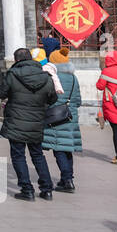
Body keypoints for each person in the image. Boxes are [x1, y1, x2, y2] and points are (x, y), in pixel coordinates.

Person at [0, 47, 57, 201]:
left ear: (16, 60)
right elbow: (52, 98)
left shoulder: (12, 74)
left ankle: (27, 189)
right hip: (36, 121)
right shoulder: (45, 76)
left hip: (16, 120)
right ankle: (47, 189)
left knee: (18, 155)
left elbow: (1, 93)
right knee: (37, 154)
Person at [42, 46, 82, 191]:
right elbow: (78, 101)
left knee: (58, 149)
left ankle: (67, 180)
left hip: (55, 117)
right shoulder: (73, 78)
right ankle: (68, 178)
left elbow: (47, 98)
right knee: (67, 149)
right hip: (70, 117)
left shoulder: (51, 77)